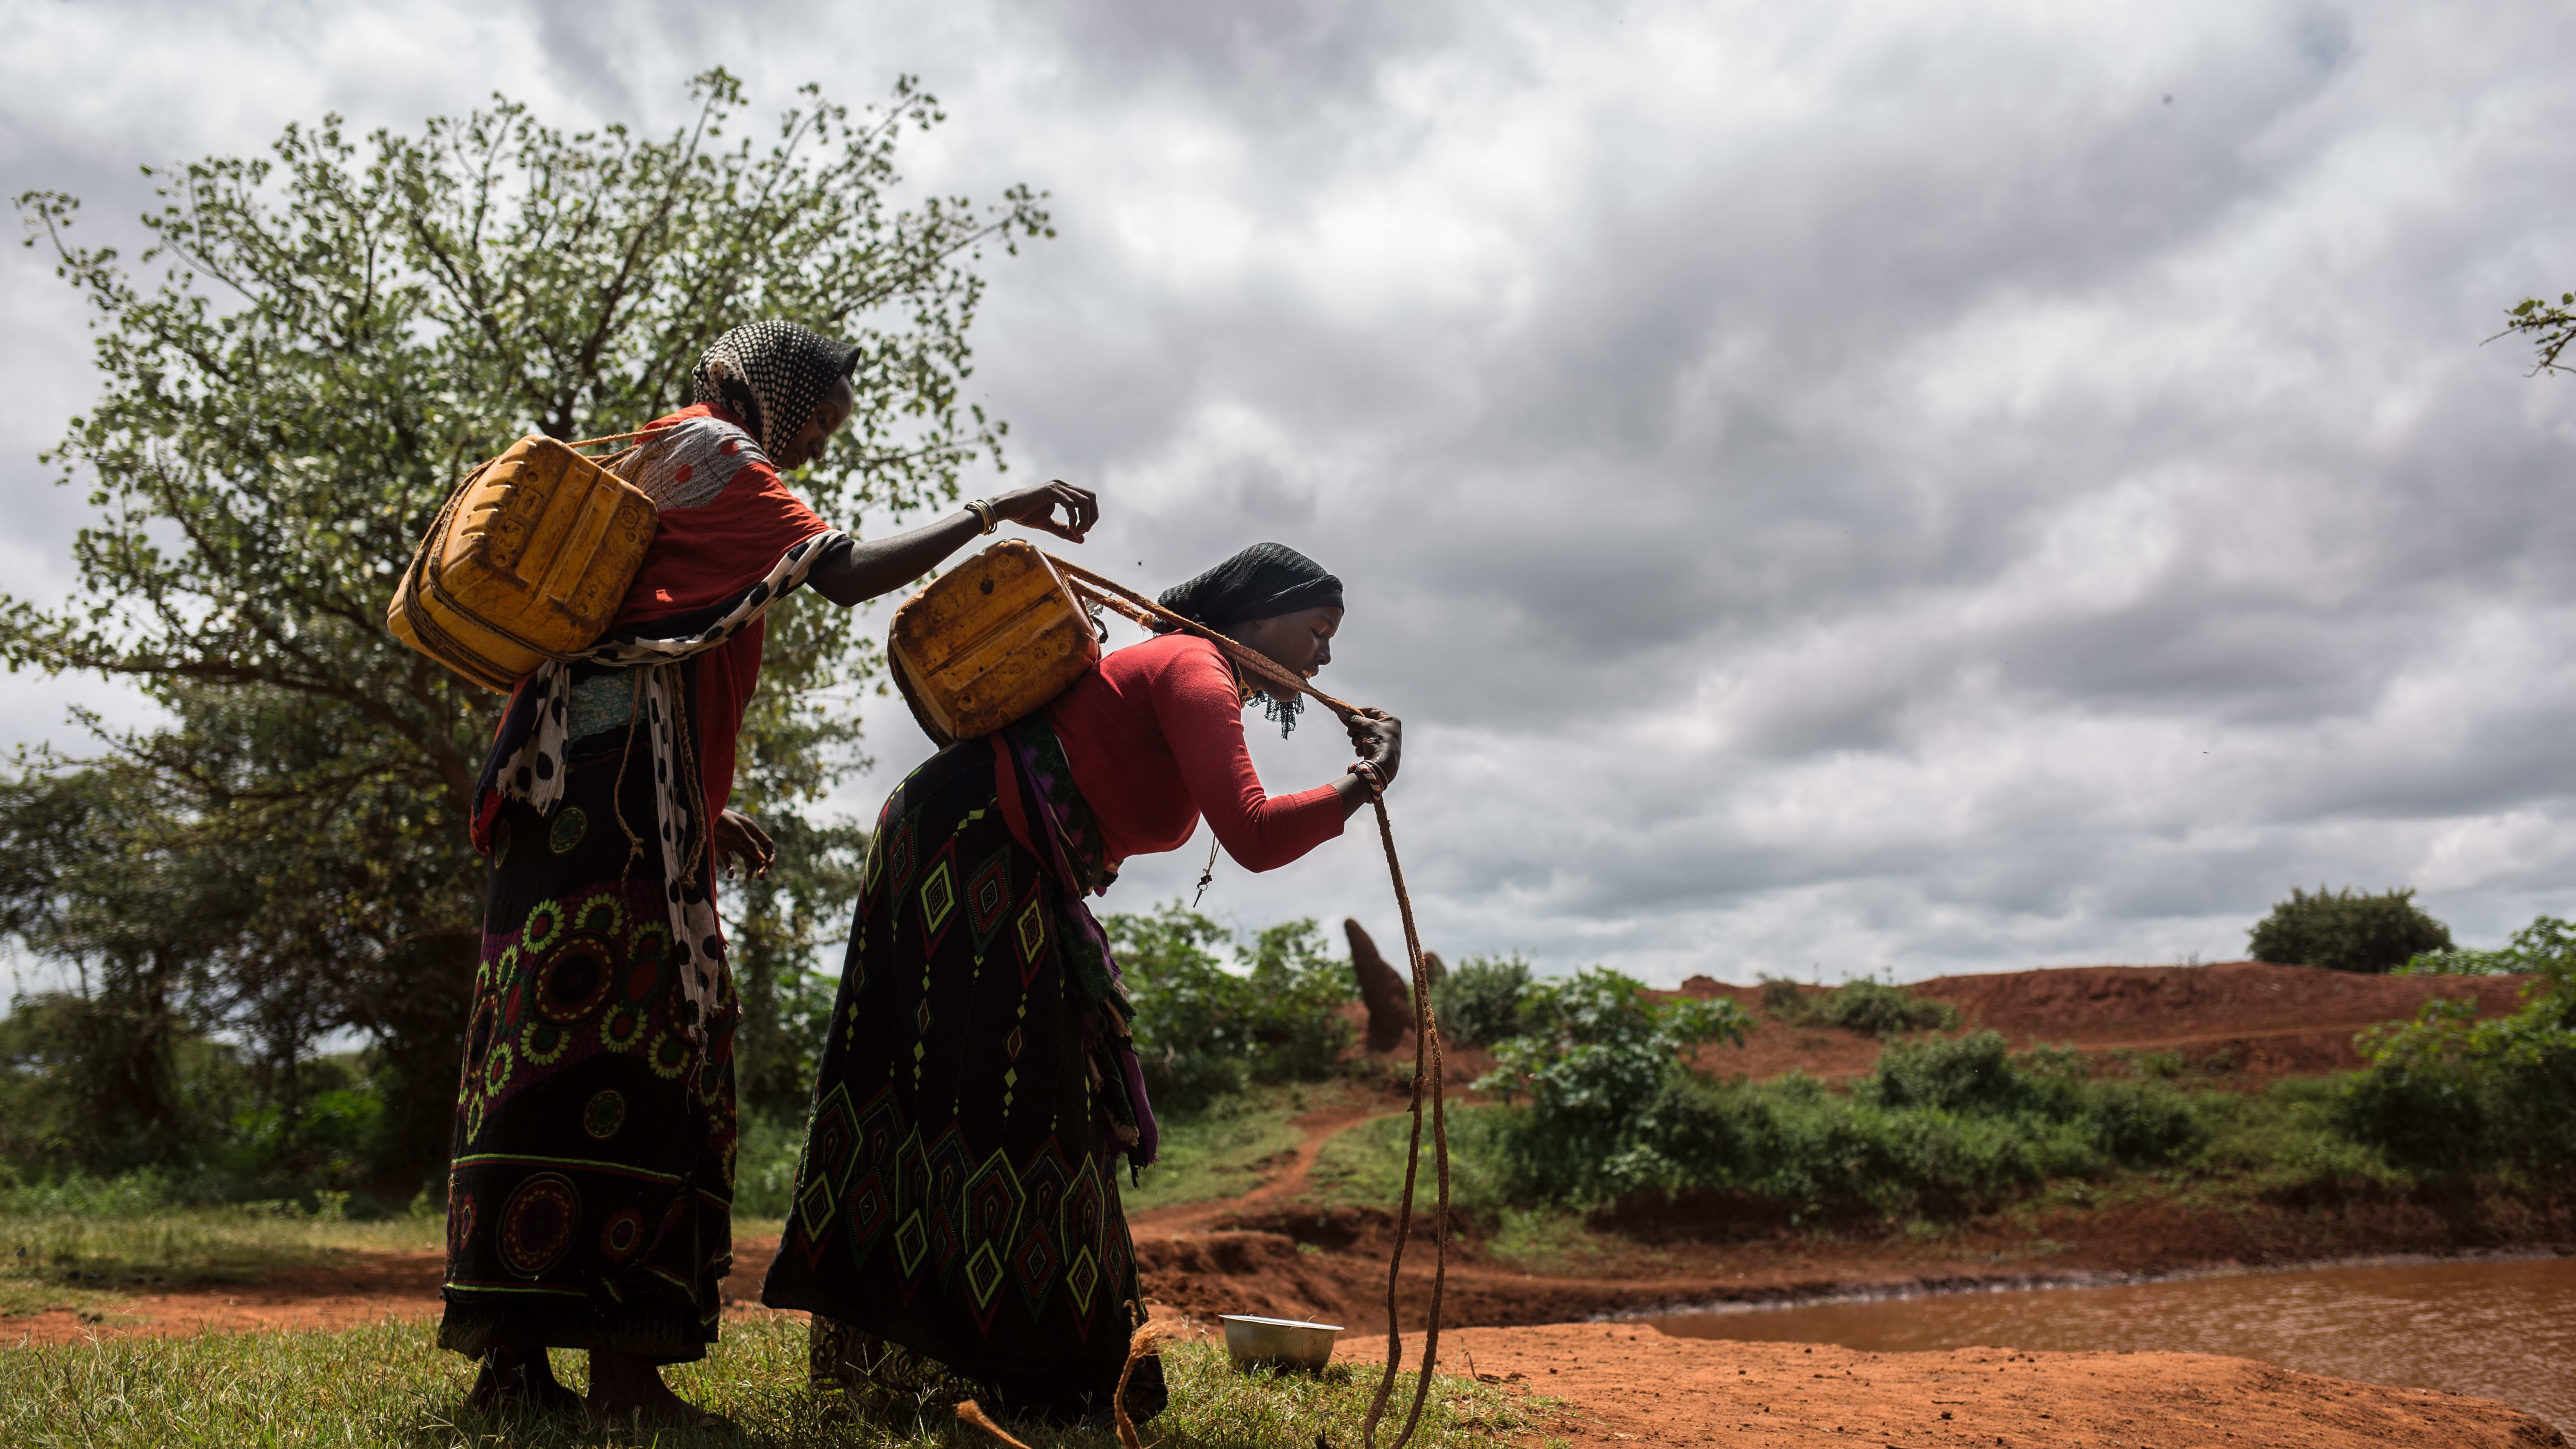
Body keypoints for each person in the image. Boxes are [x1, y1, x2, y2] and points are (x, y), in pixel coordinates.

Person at [439, 319, 1099, 1426]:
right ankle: (621, 1378)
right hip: (618, 815)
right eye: (825, 417)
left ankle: (511, 1369)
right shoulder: (726, 458)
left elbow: (621, 658)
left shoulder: (653, 453)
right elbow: (842, 576)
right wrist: (998, 512)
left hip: (564, 796)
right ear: (778, 392)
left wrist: (702, 801)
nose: (823, 444)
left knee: (538, 1047)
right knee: (643, 1051)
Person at [759, 541, 1402, 1425]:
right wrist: (1363, 786)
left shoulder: (1190, 670)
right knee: (1010, 1100)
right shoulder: (1196, 669)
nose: (1324, 658)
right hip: (964, 845)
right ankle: (1031, 1369)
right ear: (1258, 616)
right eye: (1317, 631)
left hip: (986, 847)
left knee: (1013, 1102)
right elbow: (1251, 835)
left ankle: (1023, 1365)